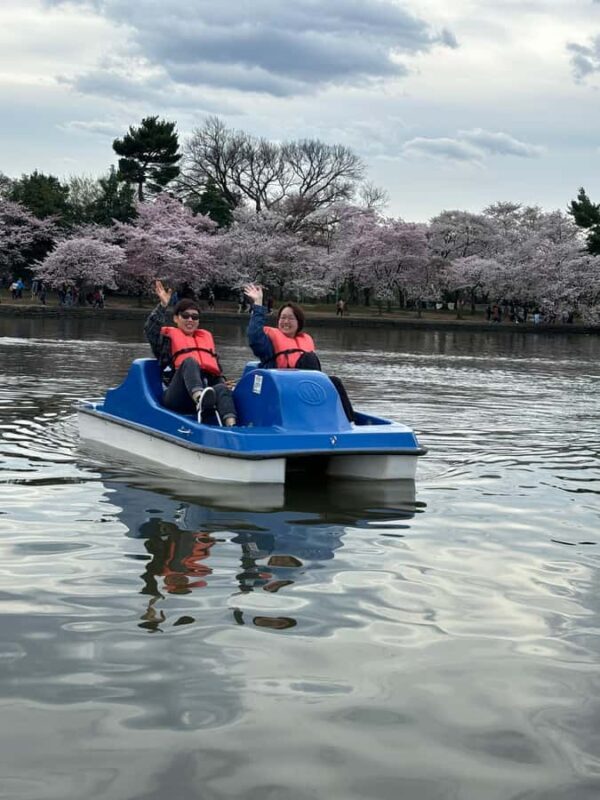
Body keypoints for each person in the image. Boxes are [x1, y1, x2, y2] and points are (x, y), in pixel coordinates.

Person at [244, 283, 355, 422]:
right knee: (309, 360)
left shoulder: (305, 342)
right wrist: (258, 304)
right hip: (281, 390)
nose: (285, 321)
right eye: (282, 318)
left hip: (305, 389)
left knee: (335, 381)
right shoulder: (269, 343)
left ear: (299, 322)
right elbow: (254, 336)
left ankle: (350, 422)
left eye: (290, 318)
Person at [144, 279, 237, 426]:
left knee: (221, 388)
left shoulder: (205, 341)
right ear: (176, 318)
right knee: (190, 361)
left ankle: (231, 426)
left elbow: (215, 375)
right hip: (175, 397)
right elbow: (151, 330)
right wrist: (162, 305)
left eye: (194, 317)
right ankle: (200, 399)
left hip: (205, 394)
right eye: (185, 316)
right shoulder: (166, 342)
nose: (190, 320)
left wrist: (223, 384)